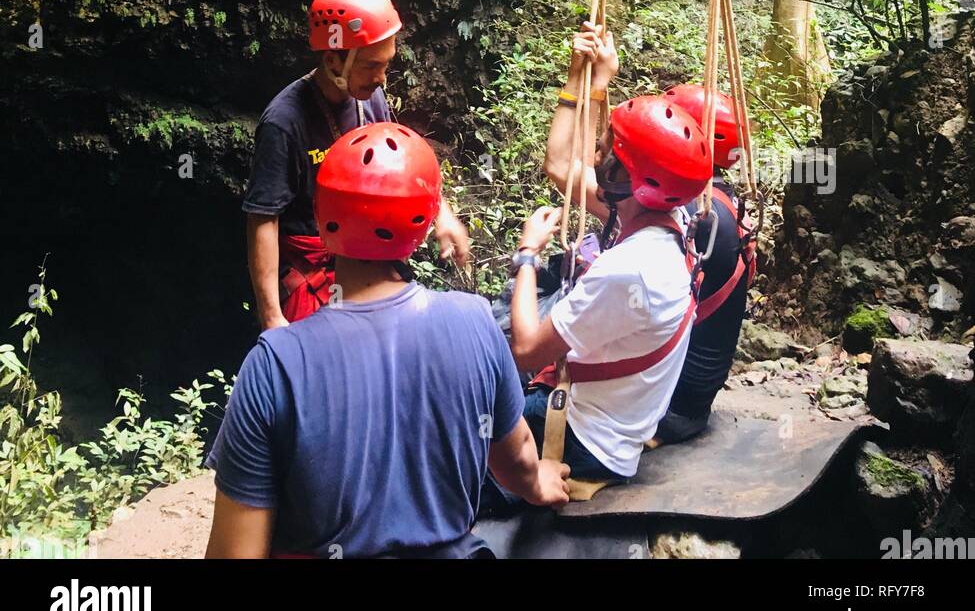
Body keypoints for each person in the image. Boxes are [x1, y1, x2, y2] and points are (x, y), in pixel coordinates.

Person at [206, 121, 569, 558]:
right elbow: (516, 459)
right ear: (421, 227)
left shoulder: (274, 366)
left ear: (321, 225)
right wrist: (536, 482)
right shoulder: (474, 322)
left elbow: (234, 554)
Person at [501, 73, 713, 493]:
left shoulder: (630, 268)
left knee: (459, 430)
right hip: (615, 421)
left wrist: (527, 256)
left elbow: (525, 350)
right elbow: (561, 166)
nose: (595, 151)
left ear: (626, 175)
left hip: (583, 437)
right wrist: (588, 79)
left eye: (604, 147)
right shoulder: (673, 221)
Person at [243, 0, 468, 328]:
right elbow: (263, 218)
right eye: (370, 66)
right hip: (311, 266)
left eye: (385, 65)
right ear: (333, 60)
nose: (381, 78)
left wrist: (443, 215)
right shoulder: (284, 122)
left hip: (365, 256)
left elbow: (400, 166)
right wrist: (272, 315)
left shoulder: (370, 98)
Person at [653, 83, 756, 444]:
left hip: (669, 409)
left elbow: (565, 171)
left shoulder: (697, 213)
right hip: (691, 401)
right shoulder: (721, 203)